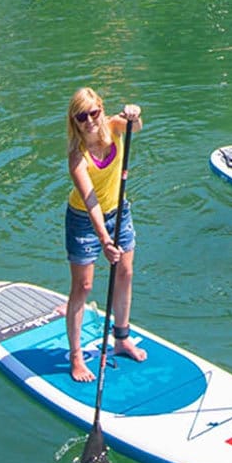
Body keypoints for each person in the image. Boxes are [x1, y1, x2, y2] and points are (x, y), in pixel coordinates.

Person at [63, 87, 146, 382]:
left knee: (125, 272)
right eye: (81, 117)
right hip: (84, 220)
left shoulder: (113, 126)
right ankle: (76, 356)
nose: (89, 121)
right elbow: (91, 201)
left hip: (119, 211)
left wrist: (134, 114)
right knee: (83, 286)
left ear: (101, 109)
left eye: (93, 113)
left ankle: (121, 338)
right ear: (74, 121)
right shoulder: (77, 157)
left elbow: (136, 127)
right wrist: (104, 240)